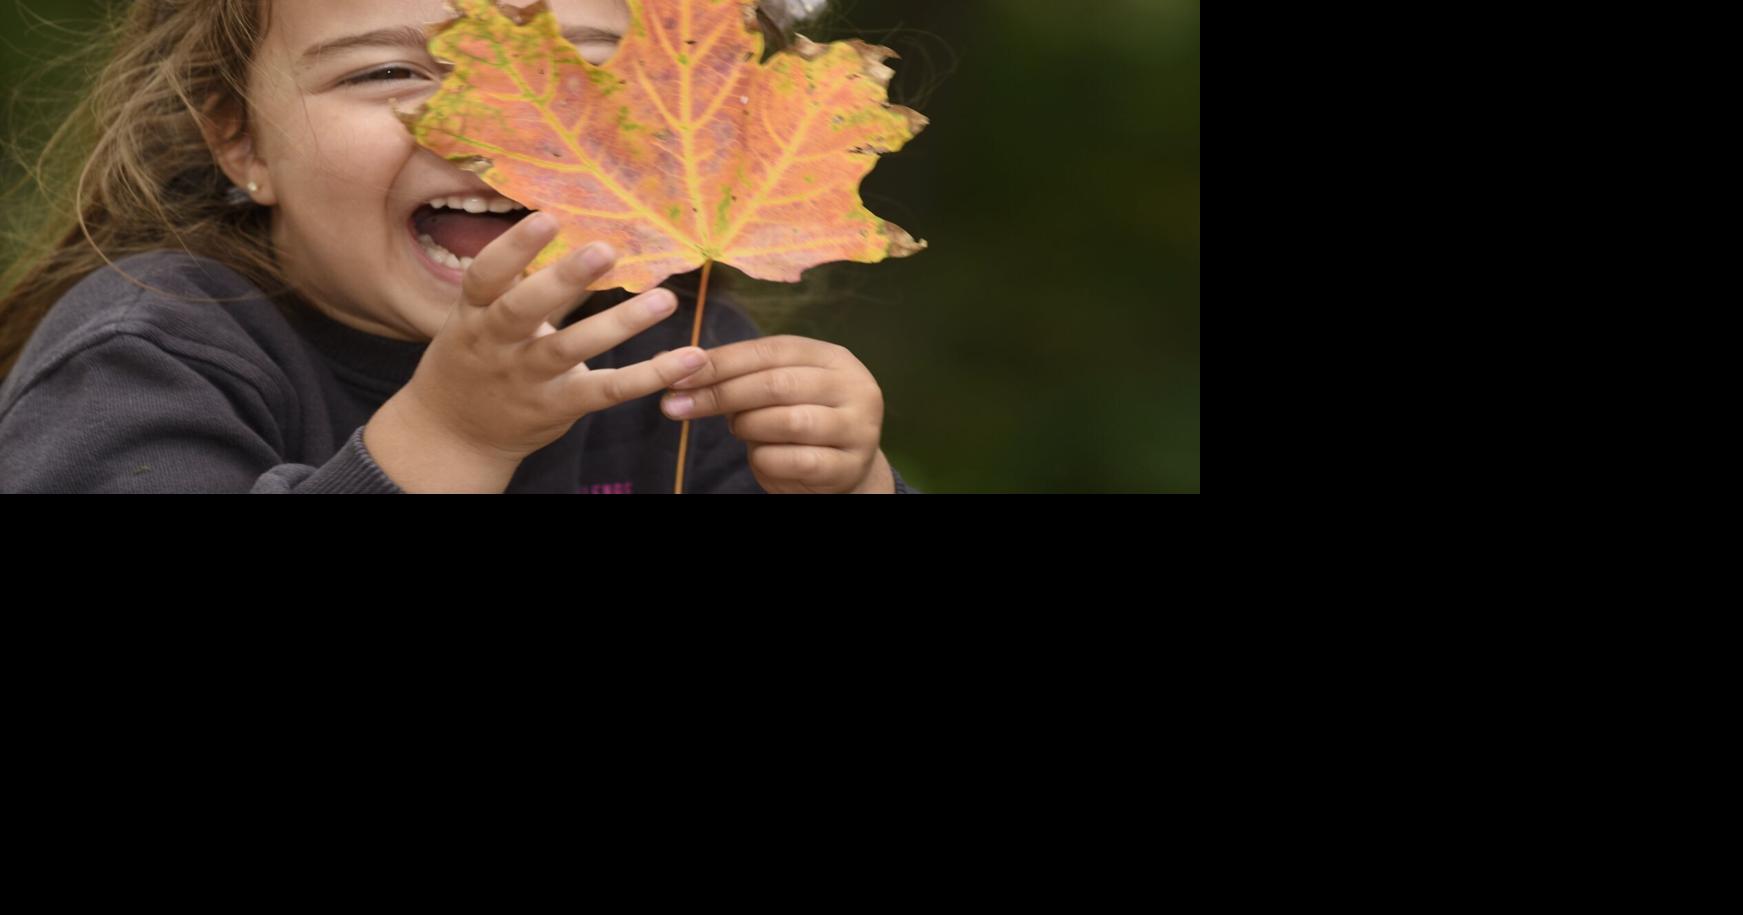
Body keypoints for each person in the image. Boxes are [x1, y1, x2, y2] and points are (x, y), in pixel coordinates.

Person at [0, 0, 921, 494]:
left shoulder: (679, 362)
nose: (482, 132)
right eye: (389, 72)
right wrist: (448, 440)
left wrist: (852, 485)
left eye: (580, 78)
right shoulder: (149, 356)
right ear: (239, 140)